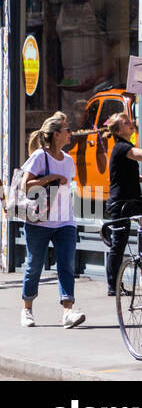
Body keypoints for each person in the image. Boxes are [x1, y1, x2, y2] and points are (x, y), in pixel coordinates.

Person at [18, 112, 85, 328]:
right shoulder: (40, 156)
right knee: (34, 265)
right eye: (66, 129)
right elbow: (25, 185)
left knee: (66, 264)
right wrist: (52, 178)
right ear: (56, 134)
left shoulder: (69, 160)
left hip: (65, 221)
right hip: (39, 221)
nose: (70, 133)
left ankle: (68, 312)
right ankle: (27, 309)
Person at [102, 112, 142, 296]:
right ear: (117, 130)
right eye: (125, 122)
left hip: (131, 200)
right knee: (119, 244)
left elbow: (121, 174)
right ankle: (112, 286)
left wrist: (139, 178)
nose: (130, 123)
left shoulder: (124, 147)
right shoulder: (122, 147)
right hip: (120, 203)